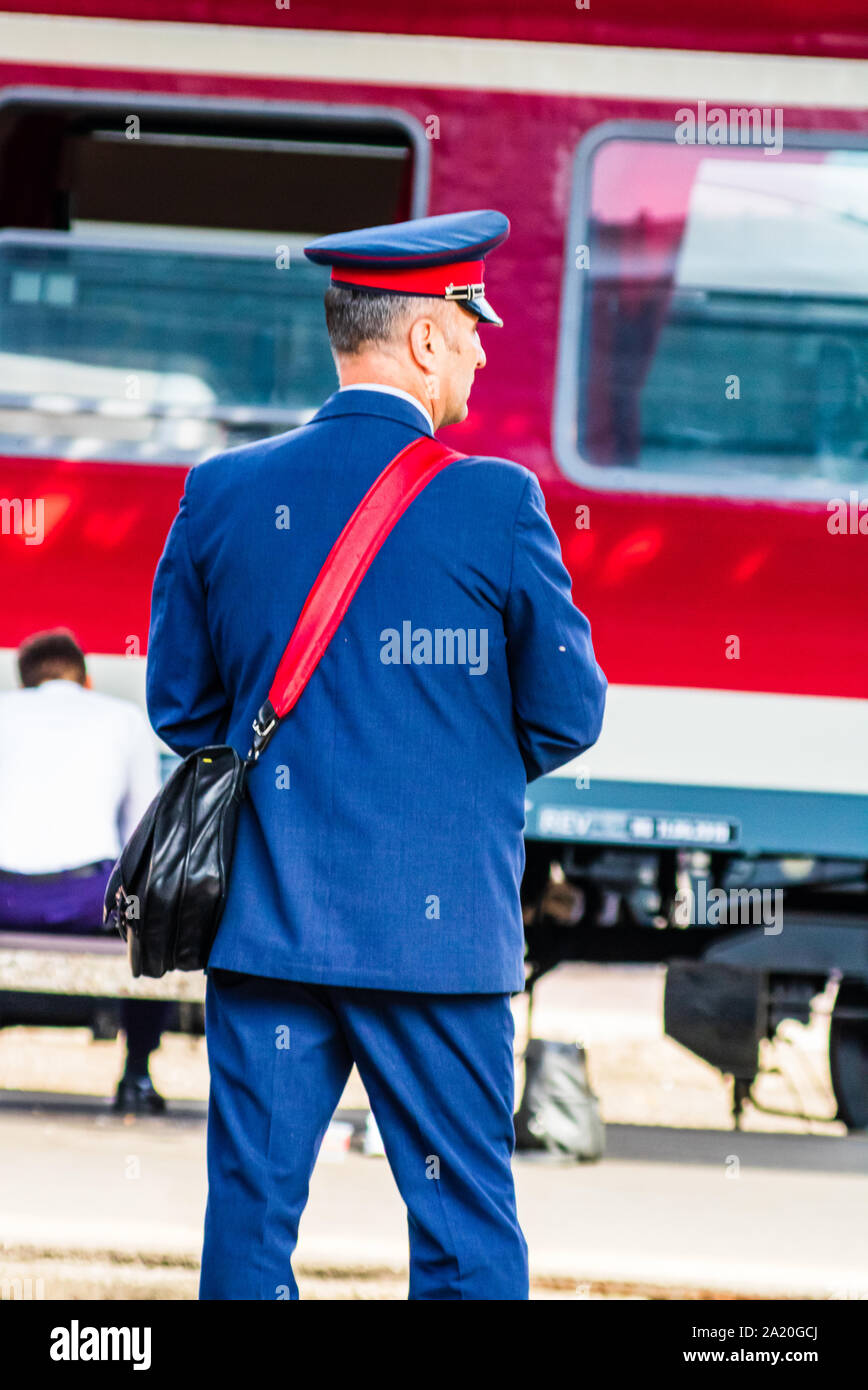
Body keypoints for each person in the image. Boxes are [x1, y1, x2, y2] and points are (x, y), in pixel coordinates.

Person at [146, 209, 607, 1300]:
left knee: (250, 1228)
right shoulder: (497, 502)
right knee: (462, 1234)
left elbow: (182, 706)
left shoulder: (221, 489)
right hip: (439, 949)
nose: (485, 349)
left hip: (269, 931)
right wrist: (448, 770)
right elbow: (568, 712)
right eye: (472, 325)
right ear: (425, 340)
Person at [0, 629, 168, 1113]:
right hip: (85, 899)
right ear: (86, 679)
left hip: (5, 896)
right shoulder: (124, 719)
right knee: (148, 918)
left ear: (24, 681)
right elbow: (142, 835)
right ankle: (136, 1073)